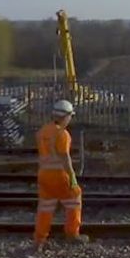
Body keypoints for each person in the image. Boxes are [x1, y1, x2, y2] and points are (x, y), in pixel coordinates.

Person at [35, 99, 87, 246]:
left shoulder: (42, 132)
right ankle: (72, 234)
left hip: (43, 175)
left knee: (46, 206)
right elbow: (65, 157)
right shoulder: (62, 134)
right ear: (66, 116)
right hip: (59, 175)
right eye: (70, 116)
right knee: (74, 199)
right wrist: (72, 177)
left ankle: (40, 238)